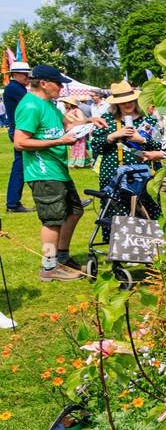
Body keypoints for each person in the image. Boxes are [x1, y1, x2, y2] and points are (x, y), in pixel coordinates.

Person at [12, 65, 106, 280]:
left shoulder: (49, 105)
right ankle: (48, 267)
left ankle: (62, 258)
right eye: (58, 83)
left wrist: (89, 121)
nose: (62, 88)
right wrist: (59, 141)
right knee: (52, 220)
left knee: (74, 211)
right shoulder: (30, 106)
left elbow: (66, 126)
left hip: (58, 170)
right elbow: (20, 142)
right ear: (44, 83)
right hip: (42, 171)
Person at [86, 81, 166, 231]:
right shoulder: (107, 119)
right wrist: (112, 136)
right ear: (116, 104)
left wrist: (142, 140)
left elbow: (162, 146)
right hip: (113, 175)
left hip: (143, 175)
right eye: (123, 102)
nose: (127, 104)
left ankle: (147, 250)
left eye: (130, 100)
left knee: (145, 212)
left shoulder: (148, 120)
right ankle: (120, 251)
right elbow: (95, 146)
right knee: (117, 215)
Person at [5, 61, 32, 212]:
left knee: (22, 166)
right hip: (20, 131)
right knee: (20, 167)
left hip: (18, 130)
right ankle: (13, 203)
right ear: (15, 75)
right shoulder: (14, 88)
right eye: (25, 74)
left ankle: (13, 203)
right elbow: (32, 102)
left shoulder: (15, 88)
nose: (28, 77)